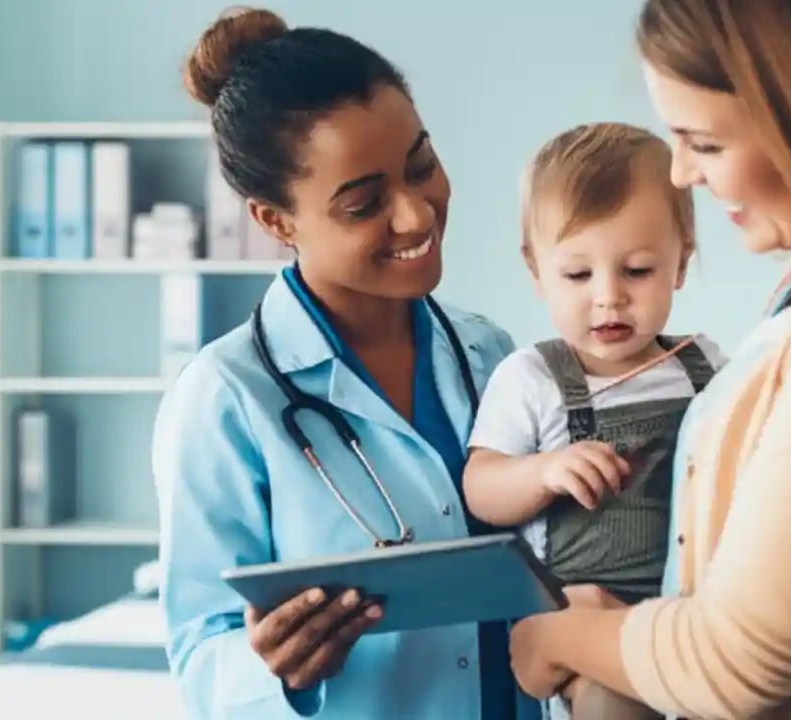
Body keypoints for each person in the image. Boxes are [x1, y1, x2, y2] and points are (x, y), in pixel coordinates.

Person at [508, 1, 791, 718]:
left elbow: (737, 660)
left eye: (706, 144)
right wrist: (613, 629)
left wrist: (561, 639)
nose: (683, 174)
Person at [153, 7, 531, 719]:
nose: (416, 215)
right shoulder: (226, 397)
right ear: (276, 220)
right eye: (364, 204)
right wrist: (278, 670)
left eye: (422, 166)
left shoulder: (491, 355)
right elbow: (201, 652)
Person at [464, 122, 722, 719]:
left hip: (693, 621)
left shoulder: (705, 366)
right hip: (585, 630)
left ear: (681, 262)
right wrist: (544, 472)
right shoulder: (533, 378)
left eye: (636, 271)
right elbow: (481, 487)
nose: (608, 297)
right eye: (578, 275)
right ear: (536, 271)